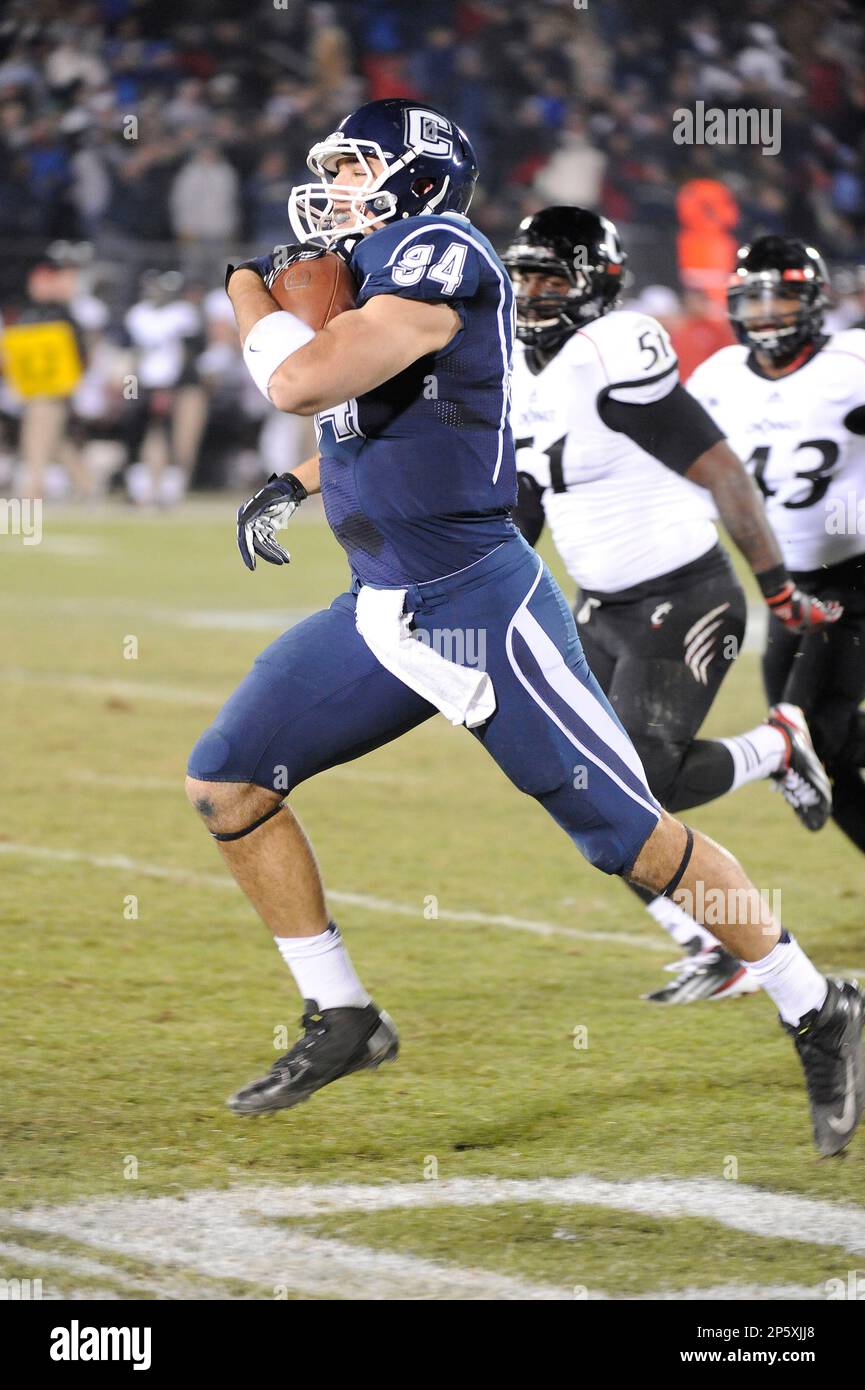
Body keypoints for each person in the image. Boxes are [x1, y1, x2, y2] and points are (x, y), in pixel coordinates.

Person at [183, 99, 863, 1157]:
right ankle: (346, 1016)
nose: (339, 184)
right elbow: (363, 412)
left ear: (418, 175)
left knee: (630, 838)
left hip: (478, 605)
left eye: (359, 165)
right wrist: (295, 479)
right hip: (382, 606)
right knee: (227, 782)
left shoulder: (443, 250)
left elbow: (298, 380)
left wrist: (242, 291)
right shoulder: (378, 264)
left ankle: (815, 1003)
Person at [504, 206, 840, 1005]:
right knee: (567, 777)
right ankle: (704, 941)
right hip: (600, 605)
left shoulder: (614, 349)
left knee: (640, 779)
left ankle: (778, 747)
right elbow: (526, 498)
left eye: (552, 276)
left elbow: (722, 471)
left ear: (598, 285)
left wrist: (775, 588)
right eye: (522, 273)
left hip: (685, 596)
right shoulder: (517, 365)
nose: (531, 292)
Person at [689, 235, 865, 858]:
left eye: (783, 299)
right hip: (784, 585)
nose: (766, 315)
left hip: (854, 576)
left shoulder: (852, 365)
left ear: (813, 302)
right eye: (754, 300)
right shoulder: (716, 379)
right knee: (814, 750)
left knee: (808, 735)